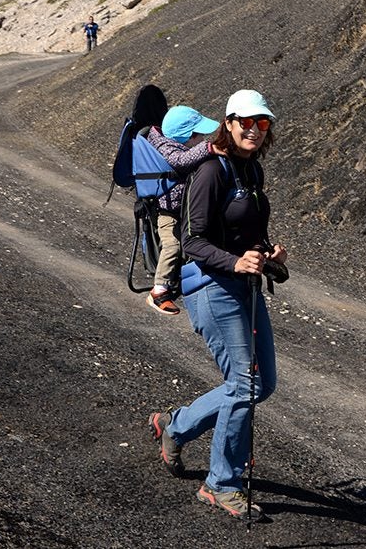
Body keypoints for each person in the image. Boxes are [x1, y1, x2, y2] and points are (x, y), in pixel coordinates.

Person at [148, 90, 287, 520]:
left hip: (244, 286)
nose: (253, 129)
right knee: (244, 385)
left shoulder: (251, 170)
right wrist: (235, 261)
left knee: (261, 385)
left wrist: (267, 254)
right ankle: (221, 485)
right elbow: (191, 240)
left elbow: (247, 232)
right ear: (227, 123)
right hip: (210, 287)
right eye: (245, 121)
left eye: (261, 123)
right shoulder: (210, 170)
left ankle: (175, 426)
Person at [144, 105, 220, 315]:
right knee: (173, 245)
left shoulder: (176, 143)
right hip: (168, 212)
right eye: (198, 135)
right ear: (185, 136)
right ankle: (158, 290)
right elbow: (180, 161)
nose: (203, 138)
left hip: (184, 209)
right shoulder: (166, 148)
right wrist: (209, 149)